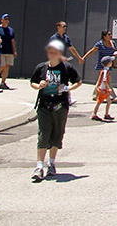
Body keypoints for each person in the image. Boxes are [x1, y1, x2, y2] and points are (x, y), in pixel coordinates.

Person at [30, 40, 82, 182]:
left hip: (60, 105)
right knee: (43, 134)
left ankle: (51, 163)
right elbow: (32, 82)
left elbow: (78, 81)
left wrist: (67, 88)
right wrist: (39, 86)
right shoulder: (42, 68)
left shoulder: (66, 68)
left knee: (57, 134)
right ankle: (39, 166)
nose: (52, 55)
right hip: (44, 105)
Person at [83, 30, 117, 104]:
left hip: (109, 63)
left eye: (111, 34)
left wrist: (115, 55)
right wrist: (83, 58)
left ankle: (95, 95)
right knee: (107, 79)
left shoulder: (113, 43)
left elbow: (115, 51)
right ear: (104, 36)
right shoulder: (100, 44)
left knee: (101, 80)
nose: (111, 36)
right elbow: (92, 51)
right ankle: (112, 96)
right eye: (109, 34)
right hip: (102, 64)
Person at [92, 56, 117, 122]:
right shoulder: (105, 71)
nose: (112, 63)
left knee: (104, 101)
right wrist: (108, 88)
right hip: (103, 89)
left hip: (101, 89)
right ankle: (100, 114)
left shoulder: (104, 70)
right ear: (108, 63)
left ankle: (99, 114)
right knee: (102, 102)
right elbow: (105, 80)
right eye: (111, 62)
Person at [0, 14, 17, 89]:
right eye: (5, 19)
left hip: (9, 51)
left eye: (8, 19)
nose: (7, 21)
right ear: (1, 20)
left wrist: (14, 51)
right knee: (2, 65)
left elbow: (12, 41)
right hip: (1, 51)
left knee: (7, 66)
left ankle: (3, 83)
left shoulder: (10, 30)